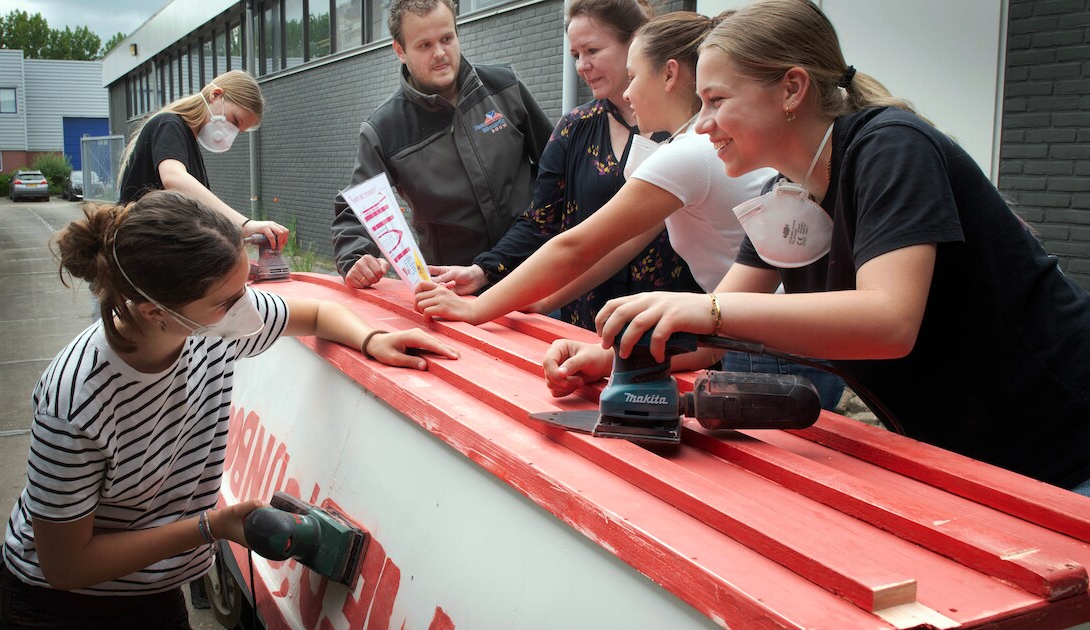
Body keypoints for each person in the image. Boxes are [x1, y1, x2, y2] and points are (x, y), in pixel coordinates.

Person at [569, 0, 1090, 492]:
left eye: (717, 101)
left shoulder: (891, 147)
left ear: (792, 89)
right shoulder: (786, 194)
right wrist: (609, 357)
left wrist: (703, 307)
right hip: (980, 455)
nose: (702, 125)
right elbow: (713, 336)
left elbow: (889, 321)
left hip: (1067, 444)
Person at [0, 190, 458, 627]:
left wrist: (373, 339)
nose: (249, 312)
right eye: (228, 301)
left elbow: (316, 314)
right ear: (156, 312)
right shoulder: (77, 399)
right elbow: (66, 565)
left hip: (156, 585)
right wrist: (209, 526)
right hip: (59, 608)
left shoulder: (206, 327)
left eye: (244, 288)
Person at [415, 11, 845, 408]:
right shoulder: (682, 148)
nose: (626, 91)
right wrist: (541, 300)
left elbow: (577, 245)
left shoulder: (688, 154)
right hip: (750, 337)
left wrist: (479, 308)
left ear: (669, 74)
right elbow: (620, 246)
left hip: (769, 349)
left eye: (634, 75)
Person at [416, 0, 702, 331]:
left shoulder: (688, 144)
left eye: (593, 50)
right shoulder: (577, 127)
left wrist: (481, 307)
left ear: (638, 45)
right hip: (611, 326)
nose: (582, 65)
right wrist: (503, 280)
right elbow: (596, 239)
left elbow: (577, 248)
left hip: (675, 326)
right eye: (576, 55)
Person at [330, 0, 552, 289]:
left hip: (537, 272)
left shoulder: (504, 87)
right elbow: (357, 207)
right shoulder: (384, 129)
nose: (440, 53)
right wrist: (355, 255)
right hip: (454, 291)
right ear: (400, 51)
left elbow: (556, 167)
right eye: (424, 45)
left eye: (446, 39)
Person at [118, 69, 288, 250]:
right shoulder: (169, 124)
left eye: (239, 131)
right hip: (137, 252)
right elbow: (173, 178)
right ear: (216, 95)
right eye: (235, 121)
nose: (232, 132)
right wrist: (244, 224)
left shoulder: (188, 142)